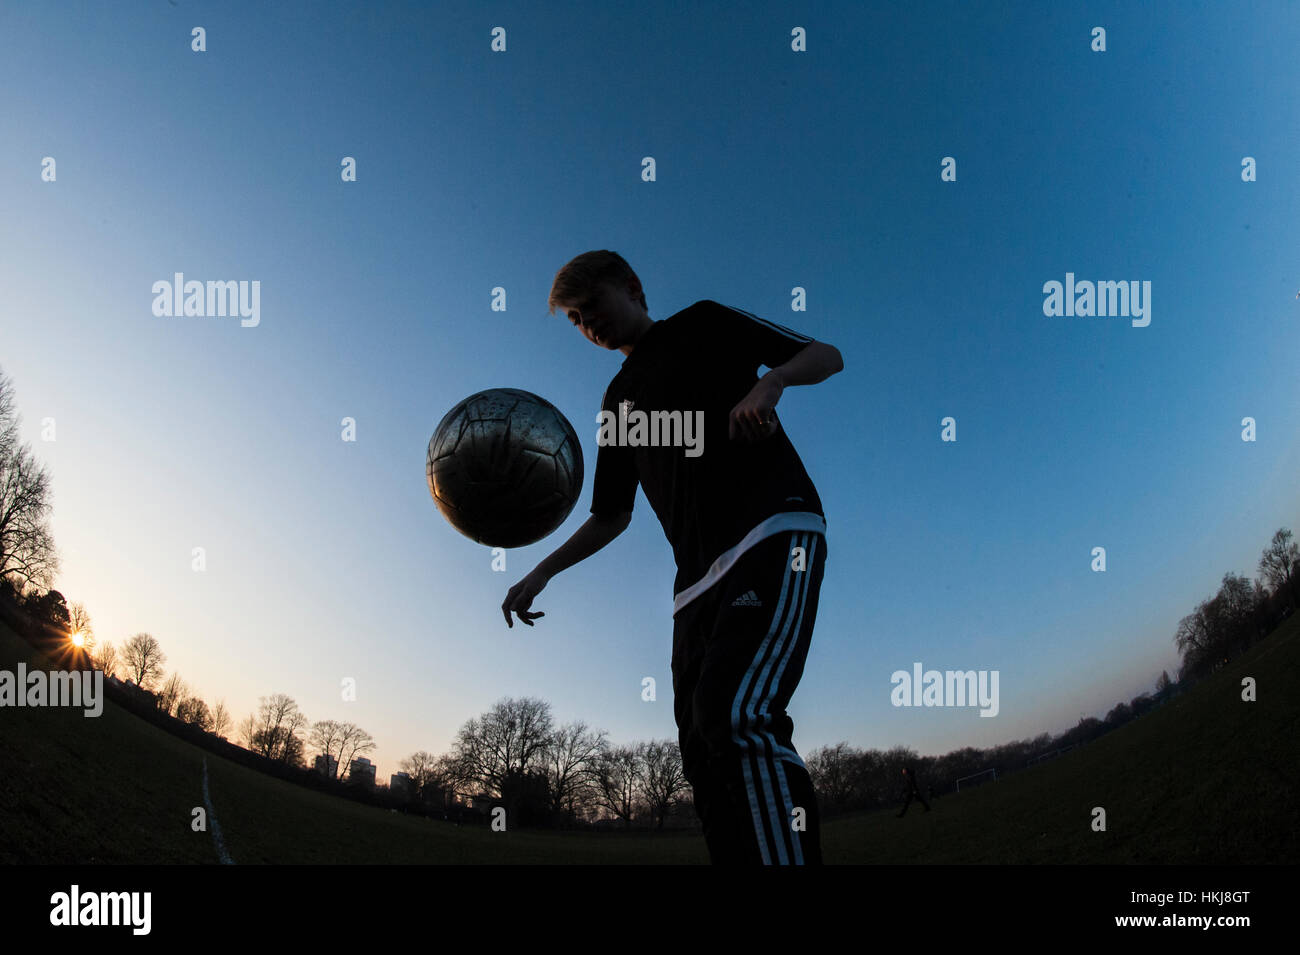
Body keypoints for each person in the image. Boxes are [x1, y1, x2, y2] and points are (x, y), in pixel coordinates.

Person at [502, 250, 843, 865]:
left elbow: (826, 355)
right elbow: (611, 515)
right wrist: (541, 570)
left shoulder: (705, 321)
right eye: (577, 320)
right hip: (694, 586)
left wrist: (772, 382)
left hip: (771, 530)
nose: (589, 325)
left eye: (593, 306)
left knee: (736, 715)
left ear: (632, 288)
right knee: (703, 753)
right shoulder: (617, 402)